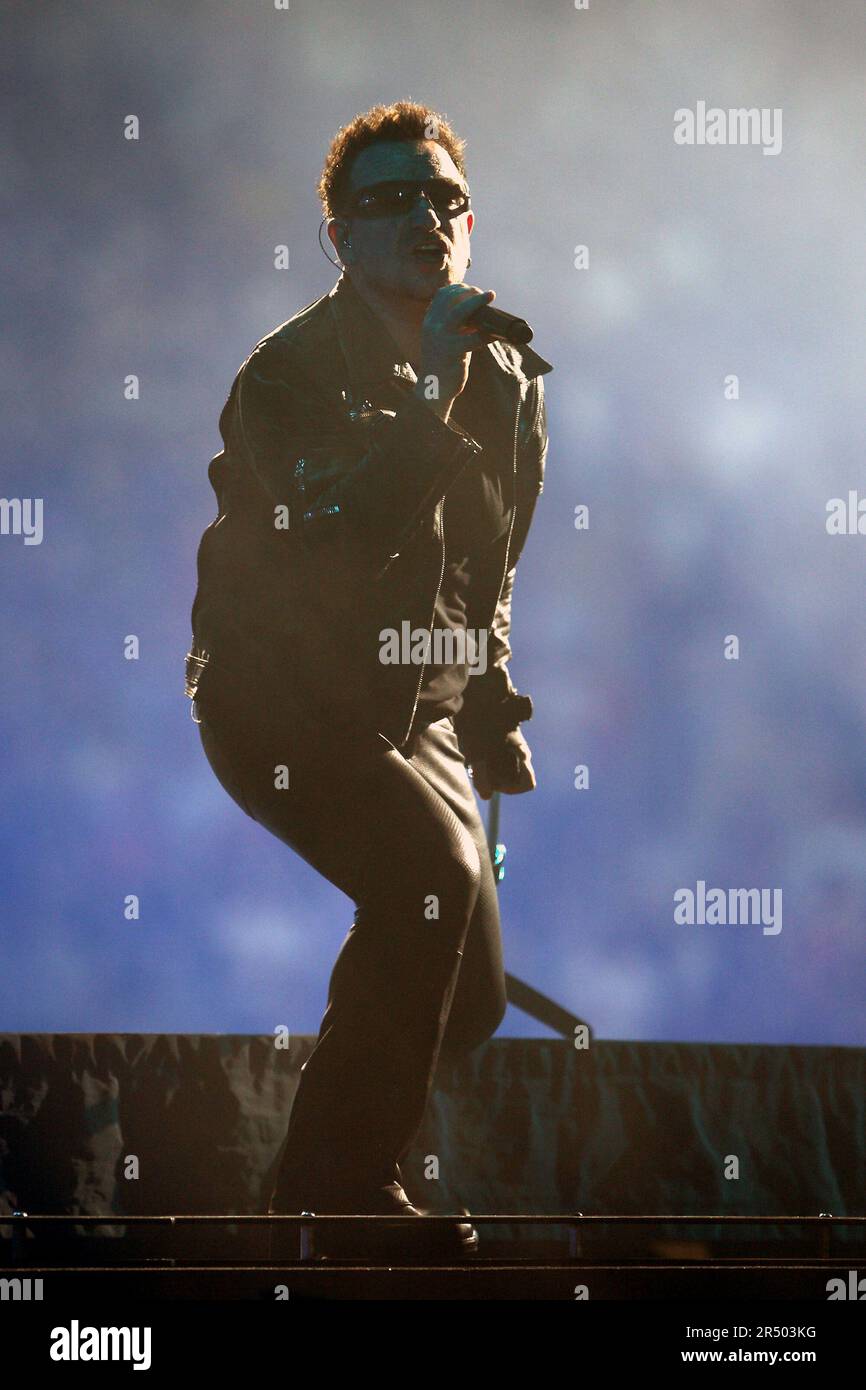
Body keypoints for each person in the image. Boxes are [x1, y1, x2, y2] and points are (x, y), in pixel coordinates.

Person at [184, 100, 552, 1259]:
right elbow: (342, 545)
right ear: (339, 237)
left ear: (470, 222)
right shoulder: (286, 376)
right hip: (279, 698)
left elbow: (489, 567)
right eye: (390, 199)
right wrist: (429, 388)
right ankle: (331, 1190)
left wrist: (487, 707)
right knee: (425, 883)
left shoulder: (510, 381)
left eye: (443, 198)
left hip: (424, 712)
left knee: (475, 993)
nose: (425, 219)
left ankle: (338, 1147)